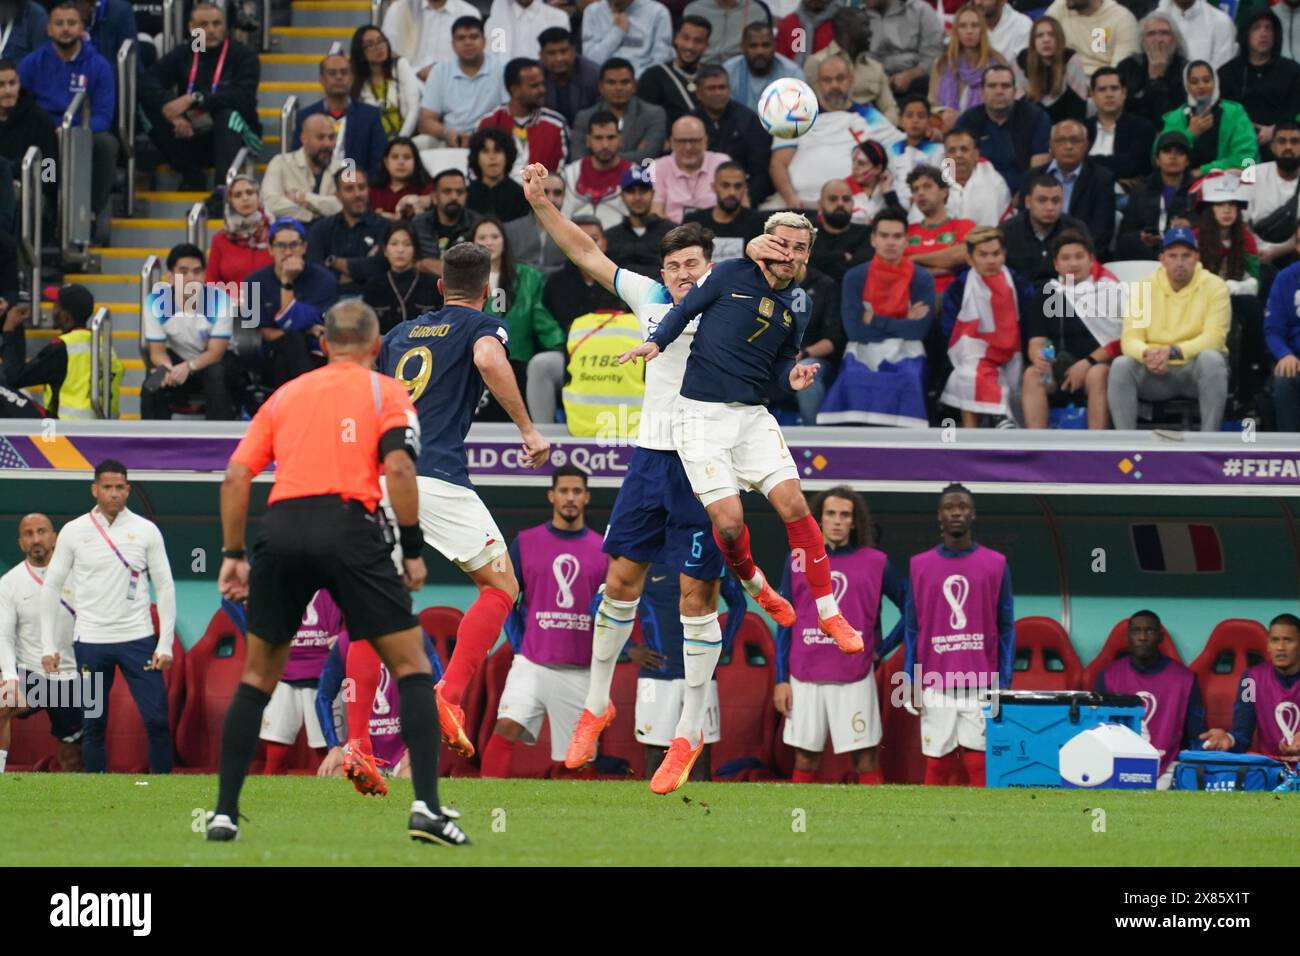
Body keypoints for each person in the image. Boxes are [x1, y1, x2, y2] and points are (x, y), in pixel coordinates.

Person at [518, 161, 788, 793]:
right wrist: (539, 204)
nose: (682, 274)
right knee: (620, 581)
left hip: (705, 461)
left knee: (697, 599)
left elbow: (771, 262)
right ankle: (595, 703)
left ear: (710, 265)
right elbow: (584, 251)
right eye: (673, 266)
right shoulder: (648, 298)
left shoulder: (732, 296)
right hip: (649, 458)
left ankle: (689, 729)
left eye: (693, 264)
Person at [211, 300, 466, 846]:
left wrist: (233, 553)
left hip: (279, 529)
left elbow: (235, 476)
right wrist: (414, 548)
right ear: (377, 347)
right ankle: (425, 808)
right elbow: (398, 466)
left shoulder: (285, 395)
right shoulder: (386, 391)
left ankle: (224, 815)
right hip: (350, 526)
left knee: (257, 678)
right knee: (413, 669)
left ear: (323, 344)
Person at [625, 213, 867, 703]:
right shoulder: (731, 273)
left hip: (753, 416)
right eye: (782, 244)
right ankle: (754, 580)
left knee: (797, 506)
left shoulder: (796, 308)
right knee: (730, 524)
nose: (790, 254)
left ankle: (827, 609)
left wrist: (791, 380)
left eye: (800, 249)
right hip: (700, 417)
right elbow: (684, 309)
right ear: (766, 244)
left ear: (805, 256)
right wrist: (656, 342)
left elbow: (777, 369)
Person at [375, 243, 550, 766]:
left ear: (439, 285)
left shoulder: (398, 335)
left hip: (385, 478)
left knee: (376, 609)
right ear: (488, 289)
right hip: (437, 477)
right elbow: (488, 359)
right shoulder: (483, 327)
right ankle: (447, 696)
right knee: (502, 586)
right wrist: (527, 428)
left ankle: (359, 744)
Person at [40, 460, 176, 774]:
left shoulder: (146, 531)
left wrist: (165, 644)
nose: (114, 494)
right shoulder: (74, 531)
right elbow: (51, 587)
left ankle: (165, 792)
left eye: (119, 488)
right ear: (95, 489)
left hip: (138, 640)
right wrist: (49, 646)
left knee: (156, 720)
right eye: (107, 487)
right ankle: (97, 792)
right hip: (91, 642)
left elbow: (165, 587)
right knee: (93, 723)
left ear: (128, 489)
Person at [480, 467, 609, 777]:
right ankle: (486, 806)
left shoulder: (603, 550)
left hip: (580, 668)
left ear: (587, 497)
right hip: (532, 663)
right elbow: (505, 596)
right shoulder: (525, 542)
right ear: (551, 495)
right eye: (563, 491)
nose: (570, 498)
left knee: (579, 758)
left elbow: (612, 609)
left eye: (577, 491)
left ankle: (574, 823)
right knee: (506, 727)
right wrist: (520, 644)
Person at [775, 487, 905, 783]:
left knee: (865, 756)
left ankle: (877, 827)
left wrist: (880, 649)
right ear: (818, 520)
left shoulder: (876, 562)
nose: (837, 521)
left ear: (855, 521)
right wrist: (780, 679)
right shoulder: (797, 560)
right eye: (830, 514)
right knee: (806, 758)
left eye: (844, 515)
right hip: (804, 673)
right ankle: (794, 828)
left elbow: (911, 609)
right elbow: (785, 619)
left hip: (854, 675)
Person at [903, 482, 1014, 787]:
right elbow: (912, 627)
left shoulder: (996, 564)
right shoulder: (919, 565)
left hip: (980, 680)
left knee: (977, 757)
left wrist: (1003, 681)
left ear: (973, 514)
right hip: (935, 681)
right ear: (939, 515)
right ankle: (928, 830)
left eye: (962, 507)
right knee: (937, 759)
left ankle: (981, 825)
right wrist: (910, 678)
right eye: (950, 507)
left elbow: (1006, 627)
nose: (956, 512)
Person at [819, 207, 934, 427]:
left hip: (908, 349)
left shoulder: (921, 278)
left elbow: (918, 330)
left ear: (906, 240)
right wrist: (904, 320)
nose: (890, 242)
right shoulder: (854, 277)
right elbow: (854, 330)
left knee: (909, 379)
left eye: (897, 236)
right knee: (853, 378)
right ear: (873, 239)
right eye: (884, 235)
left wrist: (875, 320)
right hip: (861, 348)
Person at [1109, 226, 1230, 430]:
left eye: (1186, 256)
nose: (1180, 263)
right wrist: (1147, 353)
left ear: (1197, 257)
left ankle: (1210, 442)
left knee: (1212, 359)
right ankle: (1126, 445)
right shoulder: (1144, 287)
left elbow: (1215, 337)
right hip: (1155, 371)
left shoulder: (1215, 286)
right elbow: (1130, 338)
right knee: (1121, 365)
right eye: (1173, 256)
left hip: (1195, 370)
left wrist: (1172, 352)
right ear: (1162, 258)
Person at [144, 1, 259, 211]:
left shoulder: (241, 55)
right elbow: (149, 82)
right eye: (203, 25)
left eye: (217, 24)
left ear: (225, 26)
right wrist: (172, 113)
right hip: (191, 134)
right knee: (146, 109)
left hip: (235, 136)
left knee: (227, 114)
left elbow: (242, 97)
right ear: (191, 28)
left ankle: (222, 191)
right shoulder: (189, 52)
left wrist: (196, 99)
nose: (211, 30)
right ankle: (191, 175)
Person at [635, 564, 746, 780]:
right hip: (657, 675)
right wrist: (629, 648)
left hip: (701, 675)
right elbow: (601, 601)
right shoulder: (645, 558)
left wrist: (725, 643)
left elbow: (738, 603)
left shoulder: (706, 555)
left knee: (700, 755)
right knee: (655, 755)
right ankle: (651, 812)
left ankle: (701, 811)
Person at [19, 1, 116, 241]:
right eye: (59, 23)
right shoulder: (32, 64)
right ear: (49, 29)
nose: (65, 29)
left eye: (71, 23)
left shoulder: (99, 66)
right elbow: (22, 105)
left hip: (82, 134)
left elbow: (104, 115)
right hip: (44, 137)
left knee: (106, 144)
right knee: (45, 158)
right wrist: (48, 130)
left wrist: (73, 132)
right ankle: (48, 204)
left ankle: (90, 211)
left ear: (81, 28)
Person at [313, 625, 449, 794]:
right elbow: (323, 697)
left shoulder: (412, 634)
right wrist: (333, 746)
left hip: (404, 748)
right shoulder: (346, 641)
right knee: (332, 774)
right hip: (361, 747)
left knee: (412, 781)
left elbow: (441, 691)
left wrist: (421, 743)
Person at [0, 513, 81, 774]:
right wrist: (10, 678)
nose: (36, 538)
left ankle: (77, 803)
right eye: (28, 533)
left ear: (54, 537)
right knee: (2, 705)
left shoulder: (78, 577)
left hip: (72, 677)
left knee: (73, 751)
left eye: (42, 531)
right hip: (31, 674)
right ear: (21, 543)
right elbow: (4, 636)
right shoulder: (9, 584)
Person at [1021, 229, 1122, 429]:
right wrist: (1038, 358)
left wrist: (1086, 363)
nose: (1073, 263)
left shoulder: (1110, 291)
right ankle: (1037, 448)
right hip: (1058, 368)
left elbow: (1120, 341)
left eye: (1079, 257)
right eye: (1065, 258)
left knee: (1098, 374)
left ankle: (1097, 449)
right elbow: (1036, 341)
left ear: (1091, 259)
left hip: (1095, 365)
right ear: (1056, 264)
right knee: (1032, 375)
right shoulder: (1046, 293)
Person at [1094, 609, 1205, 787]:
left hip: (1168, 767)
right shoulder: (1108, 676)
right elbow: (1098, 731)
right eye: (1136, 631)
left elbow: (1195, 735)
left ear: (1161, 637)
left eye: (1149, 631)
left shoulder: (1185, 679)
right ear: (1127, 637)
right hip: (1115, 766)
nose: (1143, 637)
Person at [470, 215, 564, 408]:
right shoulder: (464, 279)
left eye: (494, 236)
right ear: (472, 243)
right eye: (482, 238)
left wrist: (563, 346)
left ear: (504, 240)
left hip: (518, 365)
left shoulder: (529, 277)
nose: (489, 242)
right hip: (475, 368)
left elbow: (540, 318)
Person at [940, 227, 1028, 427]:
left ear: (1004, 255)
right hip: (973, 354)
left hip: (1012, 354)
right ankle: (976, 436)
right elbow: (949, 331)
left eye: (996, 254)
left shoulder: (1018, 283)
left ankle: (1006, 423)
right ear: (970, 259)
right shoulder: (958, 288)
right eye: (983, 255)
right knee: (966, 374)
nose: (991, 260)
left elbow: (1029, 323)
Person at [142, 243, 239, 421]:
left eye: (197, 271)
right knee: (154, 380)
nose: (191, 278)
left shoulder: (220, 301)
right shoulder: (155, 302)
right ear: (170, 276)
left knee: (215, 373)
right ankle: (153, 443)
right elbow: (157, 352)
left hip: (214, 362)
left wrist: (189, 367)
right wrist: (169, 370)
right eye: (183, 272)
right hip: (176, 361)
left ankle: (218, 440)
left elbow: (215, 353)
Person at [1, 283, 121, 419]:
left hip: (63, 430)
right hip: (100, 428)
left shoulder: (63, 348)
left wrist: (9, 330)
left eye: (56, 305)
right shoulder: (103, 345)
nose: (53, 310)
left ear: (66, 316)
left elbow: (13, 377)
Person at [245, 218, 339, 390]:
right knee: (292, 341)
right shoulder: (252, 283)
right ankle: (310, 397)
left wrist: (286, 280)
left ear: (304, 247)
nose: (288, 252)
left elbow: (318, 325)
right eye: (281, 246)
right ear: (270, 249)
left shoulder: (325, 279)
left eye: (294, 245)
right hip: (269, 357)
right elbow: (264, 333)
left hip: (316, 353)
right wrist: (308, 329)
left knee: (291, 348)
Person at [770, 54, 873, 209]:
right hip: (797, 202)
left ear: (851, 80)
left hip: (848, 204)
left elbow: (879, 164)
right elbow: (778, 163)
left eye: (840, 79)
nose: (834, 85)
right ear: (818, 84)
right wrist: (792, 200)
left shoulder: (870, 117)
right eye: (827, 80)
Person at [257, 589, 341, 774]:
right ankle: (267, 802)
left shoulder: (337, 573)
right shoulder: (276, 575)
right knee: (275, 753)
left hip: (325, 675)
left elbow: (364, 607)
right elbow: (230, 602)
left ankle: (333, 802)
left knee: (329, 753)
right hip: (282, 673)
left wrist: (345, 636)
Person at [1201, 613, 1300, 757]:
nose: (1280, 647)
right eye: (1274, 640)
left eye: (1288, 640)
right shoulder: (1251, 680)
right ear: (1268, 645)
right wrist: (1229, 739)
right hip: (1270, 770)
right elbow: (1242, 732)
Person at [954, 64, 1051, 197]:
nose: (999, 91)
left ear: (1015, 92)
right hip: (977, 196)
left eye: (1005, 86)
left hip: (1023, 197)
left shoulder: (1036, 118)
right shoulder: (967, 121)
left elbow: (1039, 171)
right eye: (992, 86)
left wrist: (1019, 201)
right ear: (981, 92)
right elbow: (953, 163)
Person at [1028, 120, 1117, 254]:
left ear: (1086, 145)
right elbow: (1024, 223)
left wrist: (1078, 257)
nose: (1068, 146)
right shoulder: (1032, 177)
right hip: (1037, 255)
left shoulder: (1101, 179)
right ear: (1051, 145)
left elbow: (1102, 231)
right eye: (1061, 140)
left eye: (1075, 141)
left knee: (1070, 274)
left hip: (1077, 259)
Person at [292, 53, 387, 180]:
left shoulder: (370, 116)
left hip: (357, 189)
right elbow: (296, 160)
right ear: (321, 79)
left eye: (344, 72)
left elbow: (378, 163)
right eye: (332, 73)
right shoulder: (305, 116)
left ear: (352, 78)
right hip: (315, 189)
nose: (339, 77)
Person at [1219, 9, 1300, 155]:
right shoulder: (1227, 73)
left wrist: (1275, 130)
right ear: (1246, 34)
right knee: (1246, 171)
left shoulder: (1292, 71)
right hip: (1240, 147)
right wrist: (1245, 131)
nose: (1264, 34)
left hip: (1282, 147)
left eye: (1268, 28)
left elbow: (1296, 111)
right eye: (1256, 28)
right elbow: (1222, 114)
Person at [804, 7, 899, 131]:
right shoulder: (816, 63)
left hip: (870, 133)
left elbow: (890, 108)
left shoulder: (875, 67)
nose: (870, 32)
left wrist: (877, 129)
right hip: (828, 131)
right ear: (846, 30)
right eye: (865, 25)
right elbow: (813, 108)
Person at [417, 16, 506, 147]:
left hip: (492, 141)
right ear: (453, 44)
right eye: (461, 38)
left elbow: (510, 114)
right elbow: (426, 120)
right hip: (450, 140)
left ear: (484, 41)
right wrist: (447, 134)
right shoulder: (440, 71)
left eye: (474, 37)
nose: (468, 42)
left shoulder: (501, 68)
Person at [691, 65, 774, 206]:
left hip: (741, 196)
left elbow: (762, 171)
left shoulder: (749, 120)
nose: (718, 93)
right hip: (698, 197)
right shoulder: (689, 123)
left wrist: (747, 198)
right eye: (711, 88)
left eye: (722, 87)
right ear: (698, 93)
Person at [1158, 60, 1257, 177]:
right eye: (1194, 82)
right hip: (1184, 182)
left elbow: (1247, 158)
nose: (1201, 86)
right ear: (1187, 86)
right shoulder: (1175, 118)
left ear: (1215, 82)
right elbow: (1160, 157)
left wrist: (1203, 171)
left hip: (1230, 182)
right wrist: (1190, 134)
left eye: (1206, 80)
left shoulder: (1235, 113)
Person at [477, 57, 569, 176]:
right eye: (534, 86)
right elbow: (476, 169)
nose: (542, 90)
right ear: (515, 91)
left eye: (542, 84)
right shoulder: (488, 123)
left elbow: (562, 173)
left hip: (544, 192)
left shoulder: (556, 125)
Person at [306, 168, 389, 297]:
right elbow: (315, 271)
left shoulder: (386, 227)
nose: (357, 194)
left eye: (361, 187)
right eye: (349, 189)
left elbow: (380, 266)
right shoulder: (321, 229)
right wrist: (360, 270)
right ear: (337, 195)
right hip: (330, 300)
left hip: (374, 301)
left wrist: (335, 262)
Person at [1114, 129, 1195, 259]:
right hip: (1147, 254)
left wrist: (1190, 224)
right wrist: (1141, 237)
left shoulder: (1197, 190)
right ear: (1157, 159)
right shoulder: (1141, 190)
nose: (1173, 157)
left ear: (1187, 161)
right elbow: (1125, 233)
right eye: (1167, 151)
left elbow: (1207, 224)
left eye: (1179, 153)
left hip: (1184, 252)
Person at [928, 4, 1008, 130]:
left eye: (975, 26)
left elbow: (1004, 105)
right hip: (948, 131)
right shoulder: (942, 64)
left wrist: (964, 118)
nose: (969, 31)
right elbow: (932, 104)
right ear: (956, 31)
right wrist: (944, 113)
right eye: (963, 26)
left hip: (987, 131)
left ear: (982, 30)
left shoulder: (997, 63)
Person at [1003, 175, 1092, 288]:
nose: (1050, 207)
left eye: (1056, 201)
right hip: (1020, 299)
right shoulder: (1007, 231)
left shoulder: (1076, 230)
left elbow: (1089, 270)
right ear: (1028, 202)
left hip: (1066, 296)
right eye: (1042, 200)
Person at [572, 58, 667, 163]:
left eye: (625, 82)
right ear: (601, 87)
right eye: (611, 82)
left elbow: (647, 157)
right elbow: (578, 159)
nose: (618, 88)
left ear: (635, 86)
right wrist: (634, 153)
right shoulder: (584, 118)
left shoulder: (654, 115)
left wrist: (601, 158)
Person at [904, 164, 974, 297]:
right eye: (915, 189)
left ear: (944, 191)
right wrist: (949, 267)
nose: (920, 193)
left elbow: (963, 255)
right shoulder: (906, 231)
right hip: (914, 301)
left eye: (927, 186)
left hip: (954, 299)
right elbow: (897, 267)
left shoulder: (964, 225)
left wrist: (912, 259)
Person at [362, 222, 444, 334]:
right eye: (394, 244)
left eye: (407, 244)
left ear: (415, 250)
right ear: (385, 250)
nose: (400, 250)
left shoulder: (433, 284)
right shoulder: (373, 286)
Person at [261, 113, 342, 224]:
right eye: (320, 137)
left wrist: (303, 197)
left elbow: (347, 205)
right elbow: (269, 204)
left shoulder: (347, 166)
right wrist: (312, 216)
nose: (328, 144)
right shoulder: (280, 162)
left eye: (332, 137)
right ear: (304, 138)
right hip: (291, 235)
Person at [1086, 66, 1156, 191]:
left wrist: (1086, 162)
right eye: (1102, 89)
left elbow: (1132, 165)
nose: (1109, 94)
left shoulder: (1142, 127)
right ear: (1093, 95)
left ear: (1124, 93)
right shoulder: (1081, 129)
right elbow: (1069, 162)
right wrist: (1116, 176)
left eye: (1114, 88)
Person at [560, 110, 632, 229]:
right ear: (588, 141)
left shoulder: (634, 175)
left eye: (611, 137)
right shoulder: (569, 175)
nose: (605, 145)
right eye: (598, 138)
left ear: (620, 140)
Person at [636, 14, 711, 127]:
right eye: (685, 38)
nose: (690, 46)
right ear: (676, 38)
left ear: (706, 46)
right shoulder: (653, 77)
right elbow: (644, 121)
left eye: (698, 41)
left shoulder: (712, 75)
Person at [1116, 10, 1188, 126]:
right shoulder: (1127, 67)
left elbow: (1172, 117)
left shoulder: (1186, 69)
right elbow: (1125, 111)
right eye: (1151, 34)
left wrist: (1156, 79)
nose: (1158, 40)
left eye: (1164, 33)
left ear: (1175, 39)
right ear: (1142, 40)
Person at [651, 115, 728, 223]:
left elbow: (739, 208)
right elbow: (655, 213)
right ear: (672, 142)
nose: (688, 147)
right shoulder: (657, 167)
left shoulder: (721, 163)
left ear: (705, 141)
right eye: (681, 141)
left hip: (716, 233)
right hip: (673, 234)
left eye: (694, 141)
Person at [350, 25, 422, 139]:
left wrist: (401, 141)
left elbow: (414, 106)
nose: (378, 47)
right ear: (360, 53)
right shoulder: (358, 84)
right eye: (370, 45)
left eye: (380, 41)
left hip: (406, 138)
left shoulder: (400, 65)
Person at [683, 161, 766, 261]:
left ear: (745, 188)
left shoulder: (759, 224)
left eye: (738, 186)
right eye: (725, 185)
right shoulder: (693, 223)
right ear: (714, 187)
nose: (732, 192)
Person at [382, 0, 480, 82]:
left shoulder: (469, 13)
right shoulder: (398, 10)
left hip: (454, 88)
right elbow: (386, 58)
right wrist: (416, 72)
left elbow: (474, 63)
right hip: (405, 87)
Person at [862, 0, 944, 96]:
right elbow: (862, 60)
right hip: (877, 83)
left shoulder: (920, 10)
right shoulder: (861, 17)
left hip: (918, 78)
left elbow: (933, 57)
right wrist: (882, 80)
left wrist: (909, 76)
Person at [1017, 15, 1089, 125]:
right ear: (1033, 41)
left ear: (1060, 39)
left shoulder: (1071, 59)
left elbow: (1078, 106)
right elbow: (1019, 106)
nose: (1046, 40)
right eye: (1040, 36)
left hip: (1066, 130)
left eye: (1052, 35)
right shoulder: (1022, 60)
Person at [605, 165, 676, 276]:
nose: (637, 197)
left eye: (643, 190)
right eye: (631, 191)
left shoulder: (672, 233)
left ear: (652, 193)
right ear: (622, 196)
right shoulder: (610, 236)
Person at [1246, 120, 1300, 266]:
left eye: (1295, 142)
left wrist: (1275, 252)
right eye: (1282, 141)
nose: (1288, 147)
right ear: (1272, 147)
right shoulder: (1253, 174)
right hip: (1253, 254)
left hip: (1294, 255)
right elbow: (1241, 221)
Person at [723, 20, 805, 115]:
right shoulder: (728, 71)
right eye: (753, 46)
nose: (760, 51)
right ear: (743, 47)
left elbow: (798, 112)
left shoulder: (791, 73)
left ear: (775, 46)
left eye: (766, 45)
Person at [1042, 0, 1138, 76]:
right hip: (1064, 85)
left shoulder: (1122, 19)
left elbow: (1119, 74)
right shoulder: (1060, 7)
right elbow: (1037, 43)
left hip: (1101, 90)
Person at [940, 127, 1012, 228]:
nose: (958, 155)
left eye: (964, 149)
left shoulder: (994, 184)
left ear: (976, 154)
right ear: (945, 156)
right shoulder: (934, 183)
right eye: (952, 150)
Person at [410, 169, 480, 273]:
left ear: (466, 196)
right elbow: (410, 262)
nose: (454, 197)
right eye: (447, 191)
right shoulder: (418, 225)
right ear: (434, 197)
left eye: (460, 192)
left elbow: (478, 268)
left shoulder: (477, 224)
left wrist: (427, 264)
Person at [208, 175, 272, 287]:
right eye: (238, 195)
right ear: (230, 201)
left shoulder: (273, 233)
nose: (245, 198)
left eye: (250, 192)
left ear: (258, 197)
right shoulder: (220, 239)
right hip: (230, 302)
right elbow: (211, 281)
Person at [582, 0, 674, 77]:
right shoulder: (592, 11)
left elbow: (661, 61)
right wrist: (617, 32)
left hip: (644, 82)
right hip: (603, 82)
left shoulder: (658, 12)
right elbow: (590, 62)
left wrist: (632, 79)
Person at [1265, 227, 1300, 430]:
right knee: (1285, 377)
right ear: (1296, 247)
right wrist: (1284, 354)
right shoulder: (1285, 278)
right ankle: (1291, 450)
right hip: (1296, 360)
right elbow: (1273, 329)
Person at [0, 58, 57, 178]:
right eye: (1, 85)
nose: (8, 91)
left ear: (19, 83)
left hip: (31, 192)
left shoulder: (40, 120)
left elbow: (50, 175)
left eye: (12, 83)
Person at [886, 96, 944, 208]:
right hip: (895, 208)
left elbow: (948, 183)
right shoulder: (891, 150)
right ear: (900, 120)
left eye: (921, 116)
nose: (915, 120)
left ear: (929, 121)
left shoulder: (941, 151)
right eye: (909, 116)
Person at [807, 179, 870, 281]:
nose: (840, 203)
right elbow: (802, 262)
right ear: (820, 204)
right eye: (833, 199)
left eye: (846, 199)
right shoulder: (806, 232)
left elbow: (856, 272)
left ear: (853, 203)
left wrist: (820, 259)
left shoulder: (865, 234)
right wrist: (841, 256)